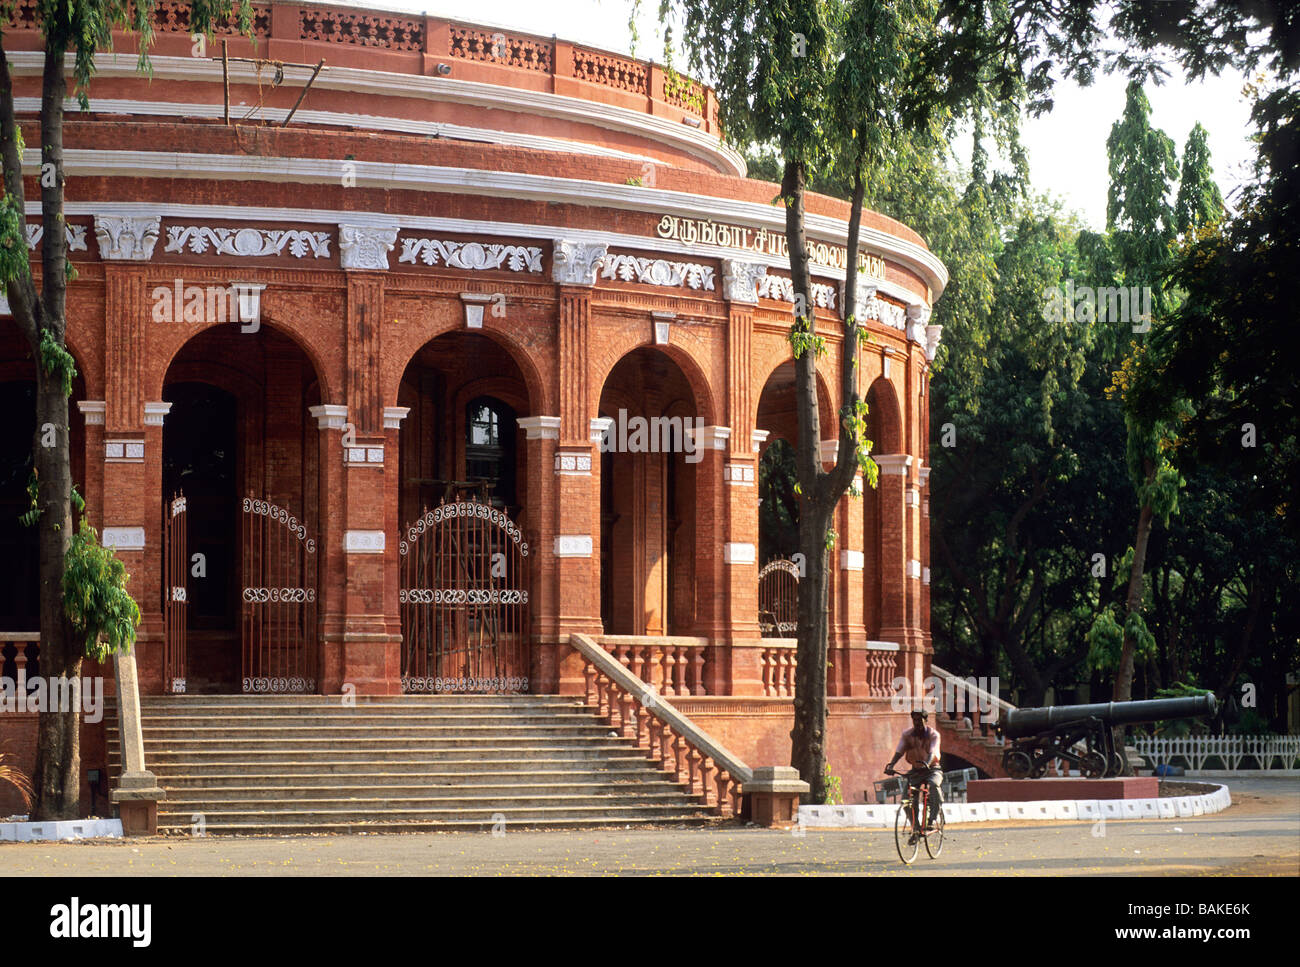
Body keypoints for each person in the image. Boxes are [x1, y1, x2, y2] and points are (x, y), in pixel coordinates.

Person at [885, 709, 943, 834]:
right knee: (906, 799)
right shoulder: (907, 735)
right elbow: (900, 750)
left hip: (932, 769)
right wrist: (891, 765)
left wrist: (927, 764)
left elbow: (933, 752)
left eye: (920, 720)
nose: (917, 723)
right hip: (915, 771)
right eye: (915, 720)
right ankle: (915, 827)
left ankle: (932, 819)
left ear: (926, 721)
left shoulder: (934, 735)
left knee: (934, 785)